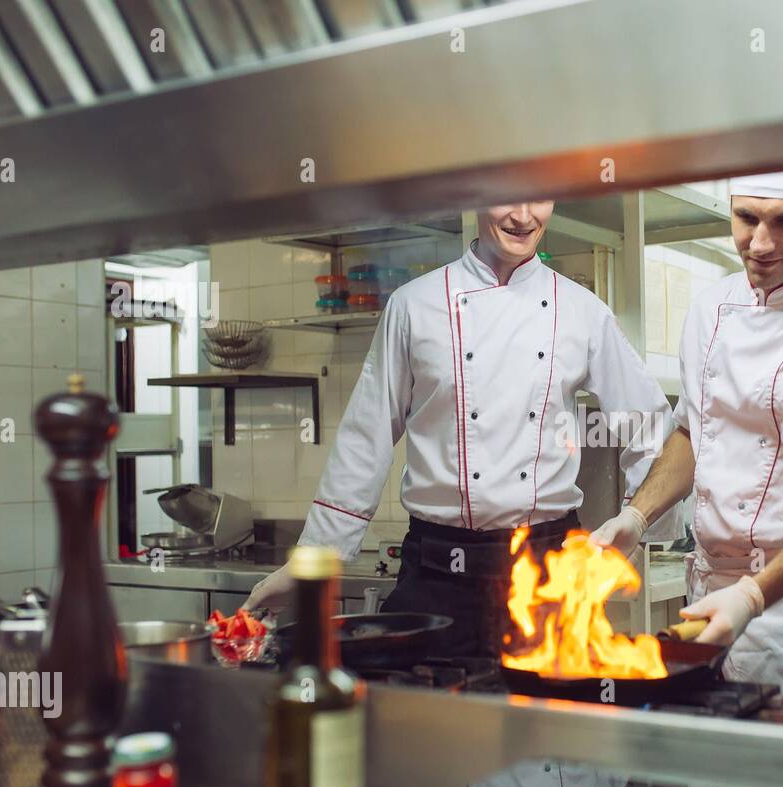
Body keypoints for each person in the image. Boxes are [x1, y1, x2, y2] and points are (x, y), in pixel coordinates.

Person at [245, 201, 678, 658]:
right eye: (508, 197)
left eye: (539, 198)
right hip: (436, 573)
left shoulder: (582, 311)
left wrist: (635, 523)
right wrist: (313, 560)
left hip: (547, 578)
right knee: (422, 718)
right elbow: (365, 438)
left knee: (545, 721)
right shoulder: (414, 305)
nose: (524, 217)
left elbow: (650, 428)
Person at [595, 169, 783, 694]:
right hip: (706, 599)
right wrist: (636, 514)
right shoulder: (709, 309)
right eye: (746, 218)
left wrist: (754, 595)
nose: (760, 244)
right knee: (710, 770)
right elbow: (693, 433)